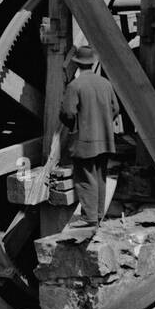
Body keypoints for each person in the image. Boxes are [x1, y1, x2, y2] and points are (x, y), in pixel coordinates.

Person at [59, 45, 121, 226]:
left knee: (85, 177)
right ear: (92, 63)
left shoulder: (75, 85)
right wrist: (103, 124)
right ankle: (99, 213)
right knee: (100, 175)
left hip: (84, 141)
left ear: (77, 63)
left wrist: (75, 127)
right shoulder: (105, 83)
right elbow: (116, 109)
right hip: (105, 140)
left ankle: (89, 216)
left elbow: (67, 113)